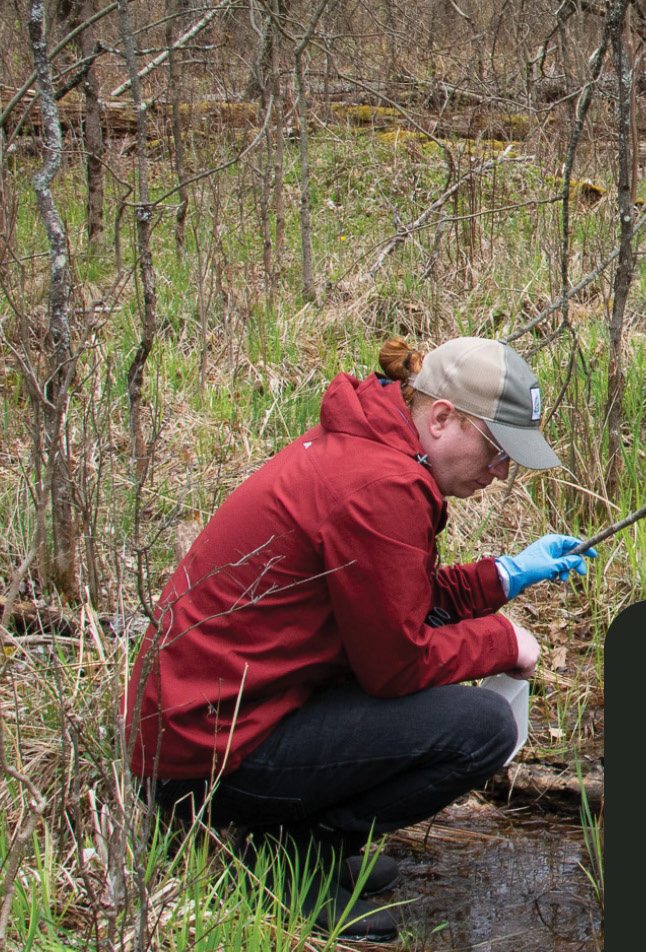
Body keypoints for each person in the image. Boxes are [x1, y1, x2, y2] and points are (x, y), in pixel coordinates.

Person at [125, 336, 596, 942]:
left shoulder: (370, 451)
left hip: (211, 727)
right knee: (482, 728)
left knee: (454, 712)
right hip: (205, 754)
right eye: (497, 450)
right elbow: (397, 665)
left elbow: (398, 600)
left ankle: (299, 843)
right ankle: (292, 865)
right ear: (443, 417)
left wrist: (505, 574)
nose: (501, 473)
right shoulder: (382, 485)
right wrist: (503, 641)